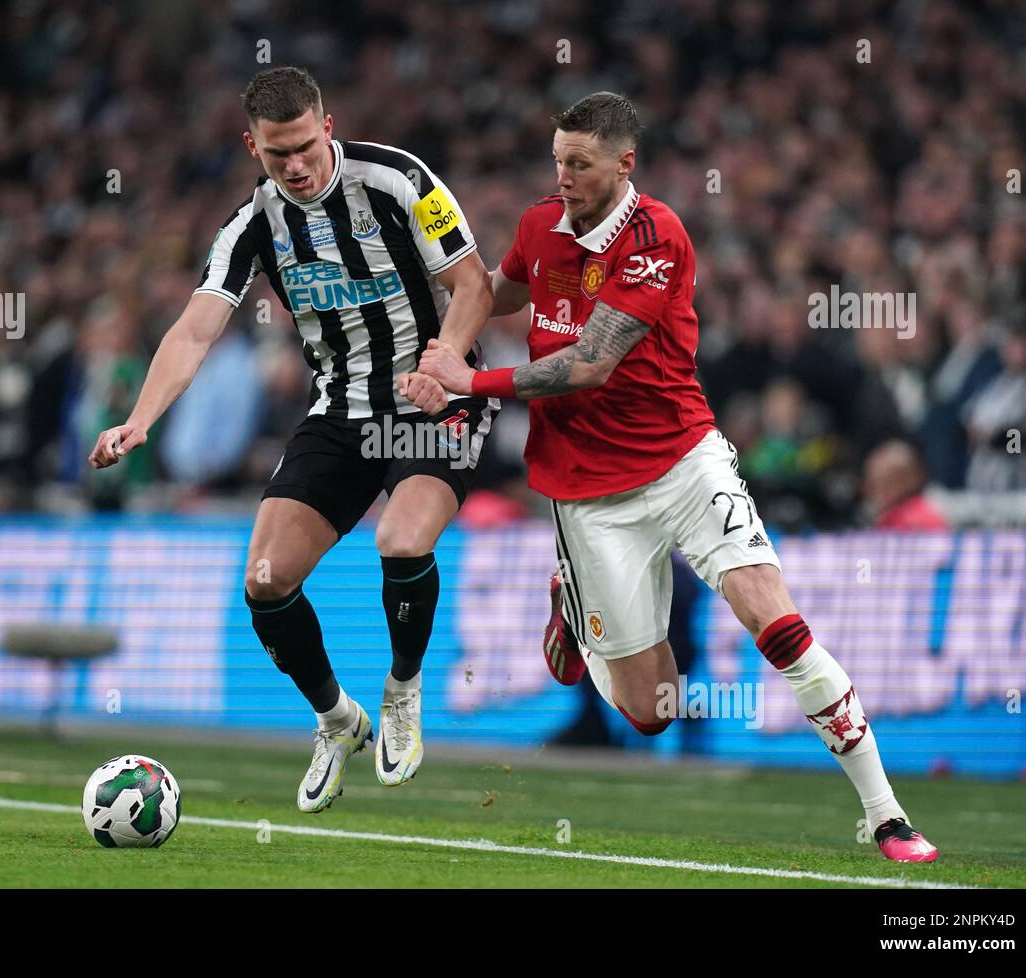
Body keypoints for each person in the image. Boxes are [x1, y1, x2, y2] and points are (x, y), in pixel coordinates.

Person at [419, 92, 938, 863]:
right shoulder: (539, 227)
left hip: (684, 462)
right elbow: (495, 290)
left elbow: (589, 365)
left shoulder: (657, 237)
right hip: (588, 494)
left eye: (579, 163)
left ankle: (887, 813)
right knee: (651, 710)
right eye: (557, 160)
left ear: (625, 164)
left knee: (780, 626)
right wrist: (432, 310)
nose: (562, 177)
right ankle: (574, 606)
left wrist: (468, 382)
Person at [89, 67, 496, 813]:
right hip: (340, 410)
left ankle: (402, 689)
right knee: (266, 581)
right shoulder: (251, 222)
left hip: (437, 404)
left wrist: (445, 362)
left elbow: (474, 285)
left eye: (306, 146)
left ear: (328, 125)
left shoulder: (401, 181)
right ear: (253, 146)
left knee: (402, 543)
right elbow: (195, 328)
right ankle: (338, 719)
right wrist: (140, 419)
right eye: (279, 156)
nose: (297, 167)